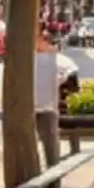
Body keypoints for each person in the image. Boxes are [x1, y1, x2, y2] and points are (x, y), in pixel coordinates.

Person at [34, 29, 63, 168]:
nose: (45, 42)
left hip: (48, 107)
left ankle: (54, 169)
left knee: (51, 142)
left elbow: (67, 73)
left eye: (47, 39)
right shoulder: (29, 58)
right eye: (42, 38)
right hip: (30, 107)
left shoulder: (54, 58)